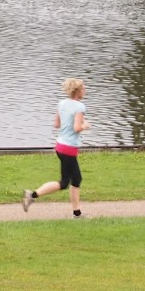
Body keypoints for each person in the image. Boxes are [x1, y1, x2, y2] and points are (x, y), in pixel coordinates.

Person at [22, 77, 88, 217]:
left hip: (60, 146)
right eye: (83, 89)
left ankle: (76, 213)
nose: (85, 91)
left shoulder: (62, 103)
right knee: (72, 181)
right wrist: (84, 126)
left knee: (69, 181)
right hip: (69, 148)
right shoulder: (80, 107)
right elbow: (76, 128)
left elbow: (56, 124)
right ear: (77, 91)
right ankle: (31, 195)